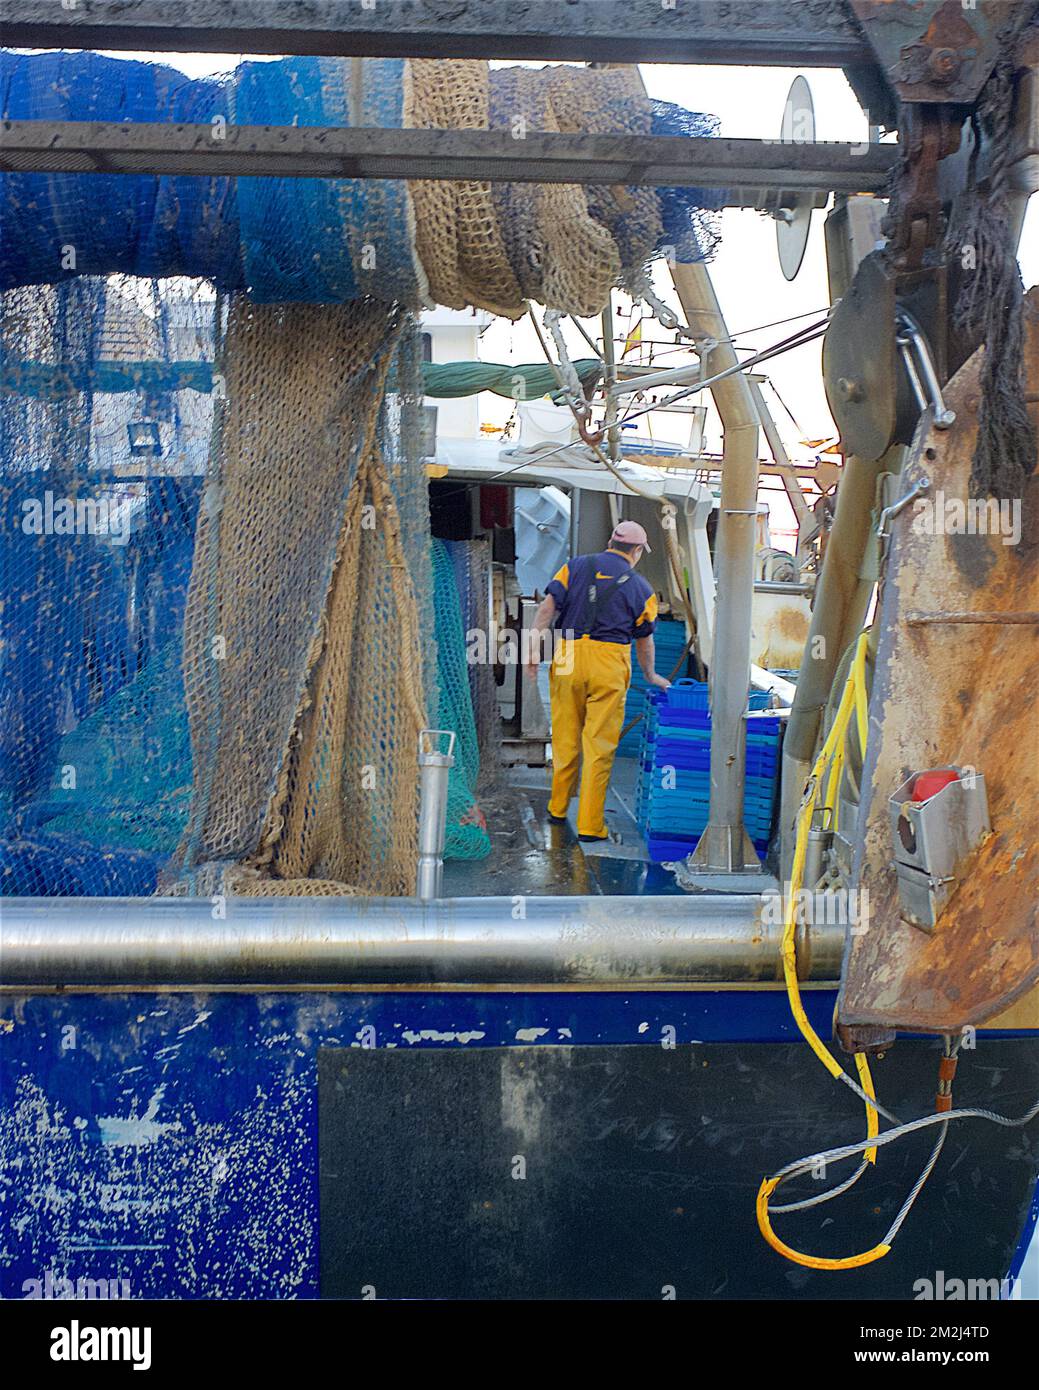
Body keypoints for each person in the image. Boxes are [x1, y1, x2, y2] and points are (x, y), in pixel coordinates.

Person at [525, 520, 670, 841]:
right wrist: (651, 674)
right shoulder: (642, 589)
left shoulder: (573, 567)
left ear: (609, 542)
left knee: (564, 739)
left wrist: (532, 650)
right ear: (636, 551)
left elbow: (547, 608)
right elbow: (645, 640)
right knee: (599, 747)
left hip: (569, 657)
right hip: (609, 663)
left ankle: (558, 809)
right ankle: (591, 826)